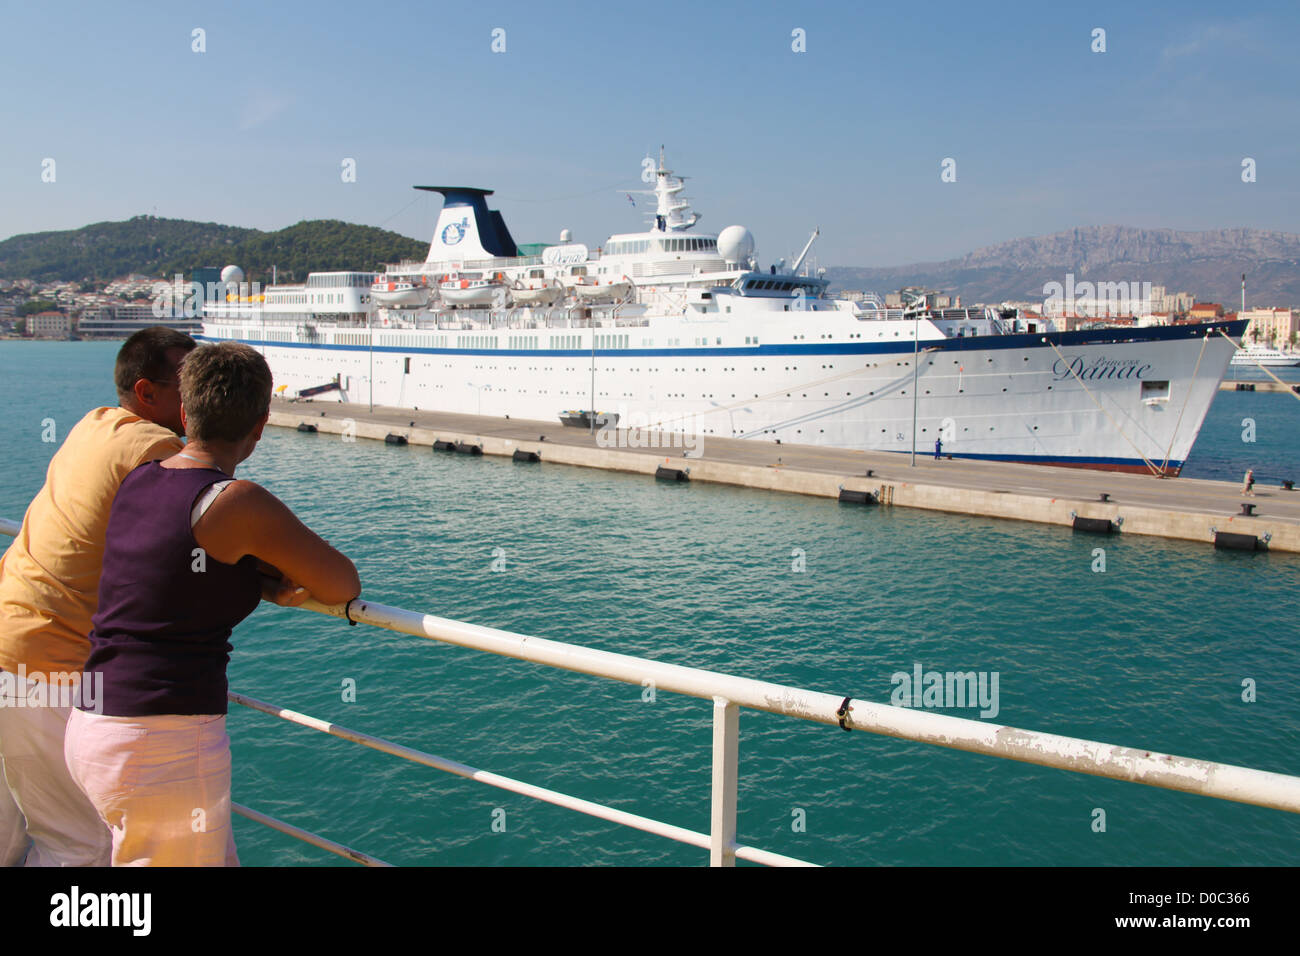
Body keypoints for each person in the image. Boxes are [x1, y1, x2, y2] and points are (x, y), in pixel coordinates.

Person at [64, 342, 360, 866]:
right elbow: (341, 583)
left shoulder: (139, 480)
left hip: (96, 724)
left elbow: (170, 569)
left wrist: (252, 579)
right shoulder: (236, 501)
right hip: (161, 740)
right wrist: (270, 580)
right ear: (261, 425)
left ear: (183, 411)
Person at [0, 327, 194, 867]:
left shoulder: (95, 422)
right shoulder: (156, 448)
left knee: (7, 840)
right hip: (45, 665)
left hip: (10, 640)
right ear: (146, 393)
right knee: (82, 847)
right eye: (188, 384)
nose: (198, 397)